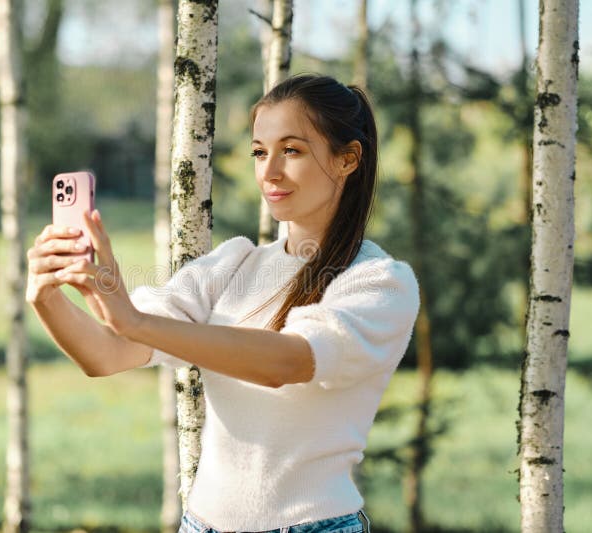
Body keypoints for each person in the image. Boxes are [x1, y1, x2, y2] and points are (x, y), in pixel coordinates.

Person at [26, 74, 420, 533]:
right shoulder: (235, 263)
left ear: (348, 158)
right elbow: (107, 354)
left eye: (291, 150)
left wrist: (132, 319)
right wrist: (47, 298)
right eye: (259, 151)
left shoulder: (380, 282)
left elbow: (287, 362)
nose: (269, 171)